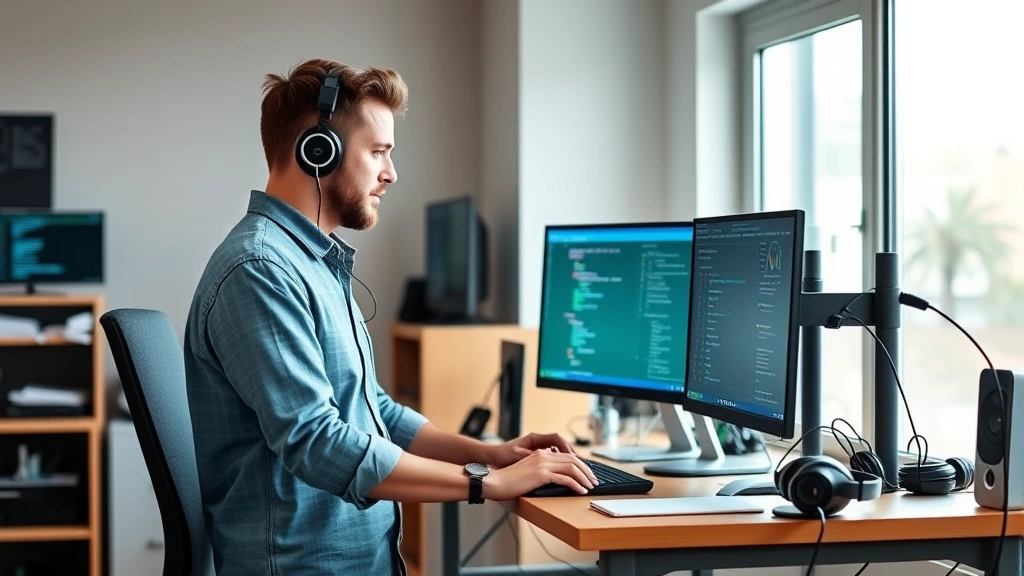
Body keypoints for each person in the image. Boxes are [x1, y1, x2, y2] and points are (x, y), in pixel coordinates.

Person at [182, 58, 598, 576]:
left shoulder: (311, 262)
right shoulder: (260, 272)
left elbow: (373, 409)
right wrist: (481, 485)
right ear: (318, 150)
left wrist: (491, 455)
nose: (390, 173)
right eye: (377, 151)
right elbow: (317, 441)